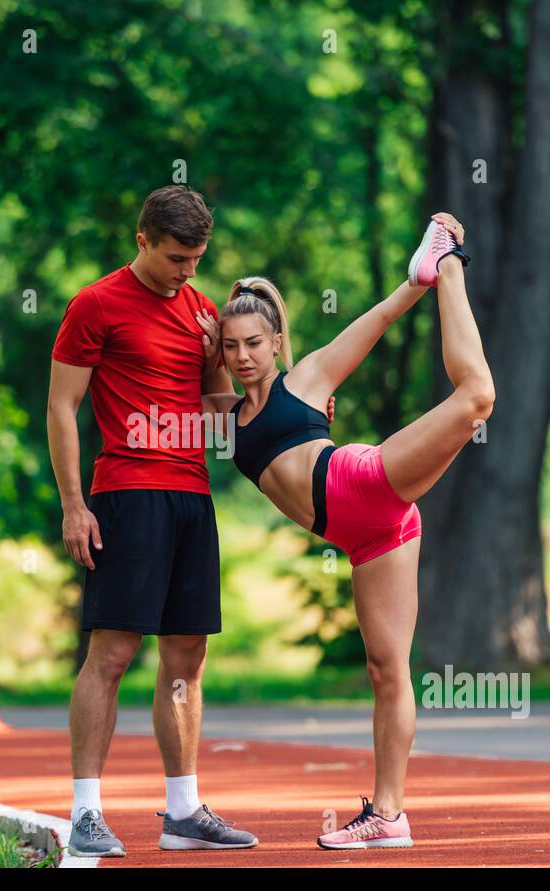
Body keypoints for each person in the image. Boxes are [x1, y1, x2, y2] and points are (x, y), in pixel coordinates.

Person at [196, 212, 492, 849]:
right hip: (367, 537)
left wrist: (422, 279)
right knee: (388, 671)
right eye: (232, 345)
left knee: (475, 399)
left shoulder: (305, 383)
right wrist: (215, 321)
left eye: (254, 342)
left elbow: (379, 320)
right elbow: (203, 366)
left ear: (276, 343)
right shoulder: (225, 415)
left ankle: (448, 265)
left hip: (364, 484)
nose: (243, 356)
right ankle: (389, 816)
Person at [47, 185, 260, 856]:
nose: (188, 272)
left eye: (196, 259)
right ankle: (85, 811)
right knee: (110, 652)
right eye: (176, 258)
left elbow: (216, 409)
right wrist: (74, 503)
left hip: (191, 496)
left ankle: (183, 811)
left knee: (187, 658)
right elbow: (61, 407)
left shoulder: (202, 310)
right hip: (127, 493)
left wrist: (280, 407)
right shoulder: (95, 304)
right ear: (142, 240)